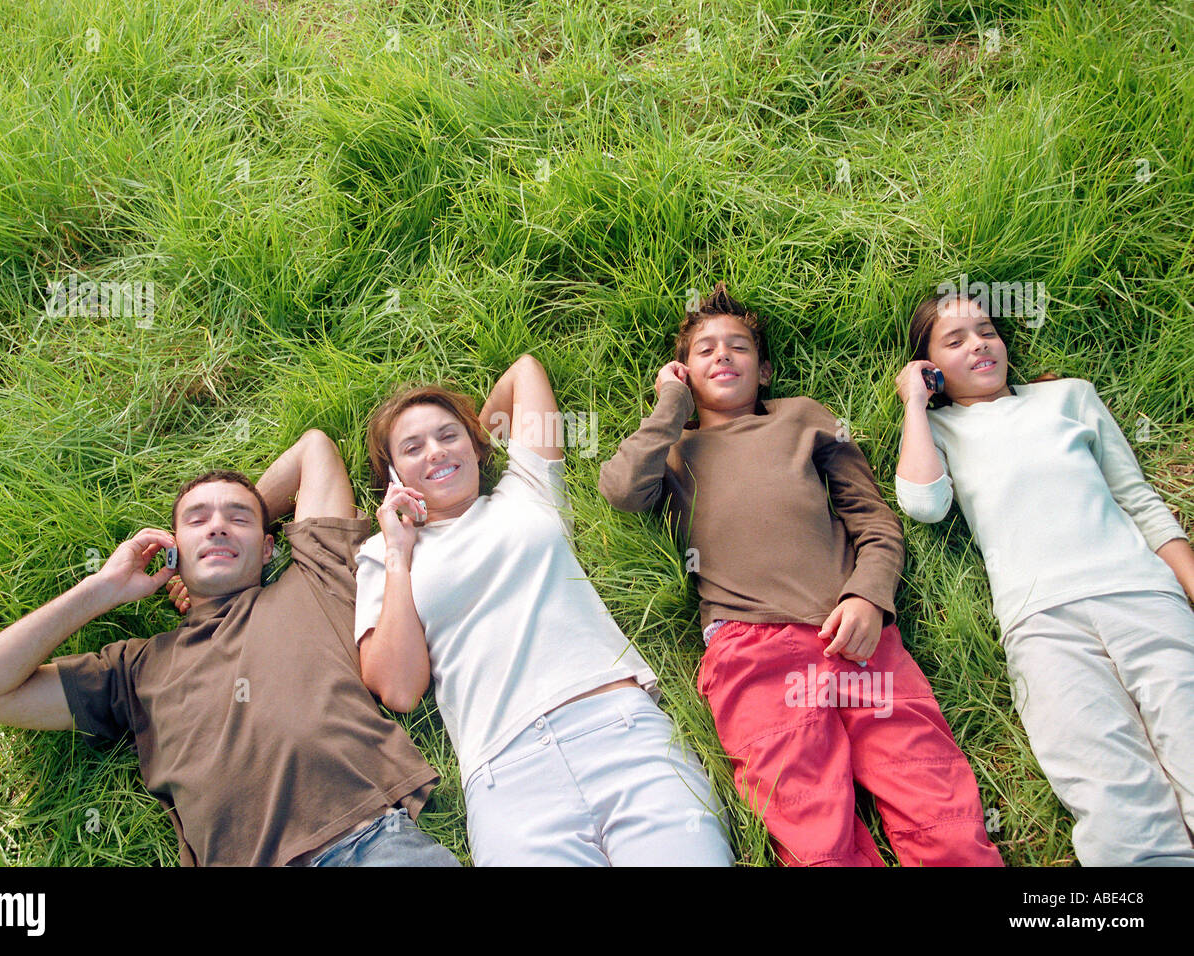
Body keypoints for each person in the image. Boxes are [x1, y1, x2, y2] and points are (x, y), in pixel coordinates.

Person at [598, 282, 1003, 867]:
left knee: (938, 807)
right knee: (814, 835)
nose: (722, 356)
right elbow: (619, 492)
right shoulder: (673, 446)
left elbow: (875, 521)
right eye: (704, 349)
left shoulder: (805, 418)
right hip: (752, 652)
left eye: (738, 346)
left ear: (763, 372)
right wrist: (670, 407)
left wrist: (869, 597)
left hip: (858, 636)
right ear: (683, 372)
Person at [0, 429, 458, 867]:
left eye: (237, 518)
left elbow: (314, 449)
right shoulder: (134, 669)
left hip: (371, 846)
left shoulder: (315, 582)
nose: (216, 525)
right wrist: (100, 590)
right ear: (171, 549)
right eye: (197, 520)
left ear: (270, 544)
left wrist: (232, 523)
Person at [353, 354, 734, 866]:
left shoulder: (527, 491)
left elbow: (525, 372)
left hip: (620, 731)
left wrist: (474, 440)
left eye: (449, 435)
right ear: (394, 474)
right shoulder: (382, 555)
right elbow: (399, 689)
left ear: (476, 444)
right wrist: (400, 553)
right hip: (506, 777)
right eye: (413, 448)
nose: (436, 451)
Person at [894, 290, 1194, 865]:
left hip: (1141, 596)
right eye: (954, 340)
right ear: (930, 367)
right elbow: (924, 503)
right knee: (1113, 799)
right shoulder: (943, 432)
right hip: (1041, 625)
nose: (978, 343)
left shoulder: (1068, 398)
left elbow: (1141, 502)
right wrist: (913, 402)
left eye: (985, 330)